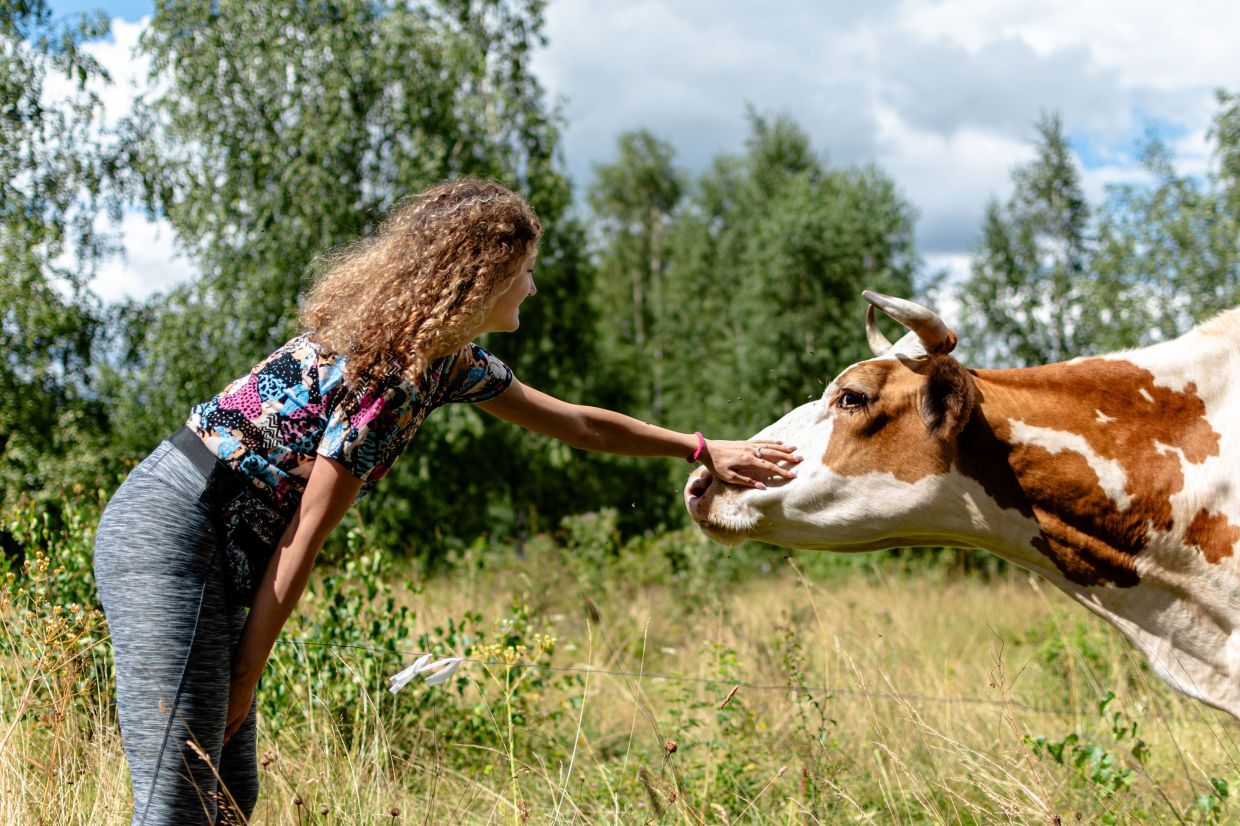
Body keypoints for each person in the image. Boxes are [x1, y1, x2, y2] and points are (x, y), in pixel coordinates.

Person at [92, 178, 801, 824]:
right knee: (180, 798)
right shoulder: (392, 376)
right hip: (172, 531)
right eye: (522, 272)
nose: (531, 287)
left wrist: (700, 448)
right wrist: (246, 676)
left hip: (213, 543)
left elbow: (579, 422)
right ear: (481, 279)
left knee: (226, 795)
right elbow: (305, 531)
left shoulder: (451, 363)